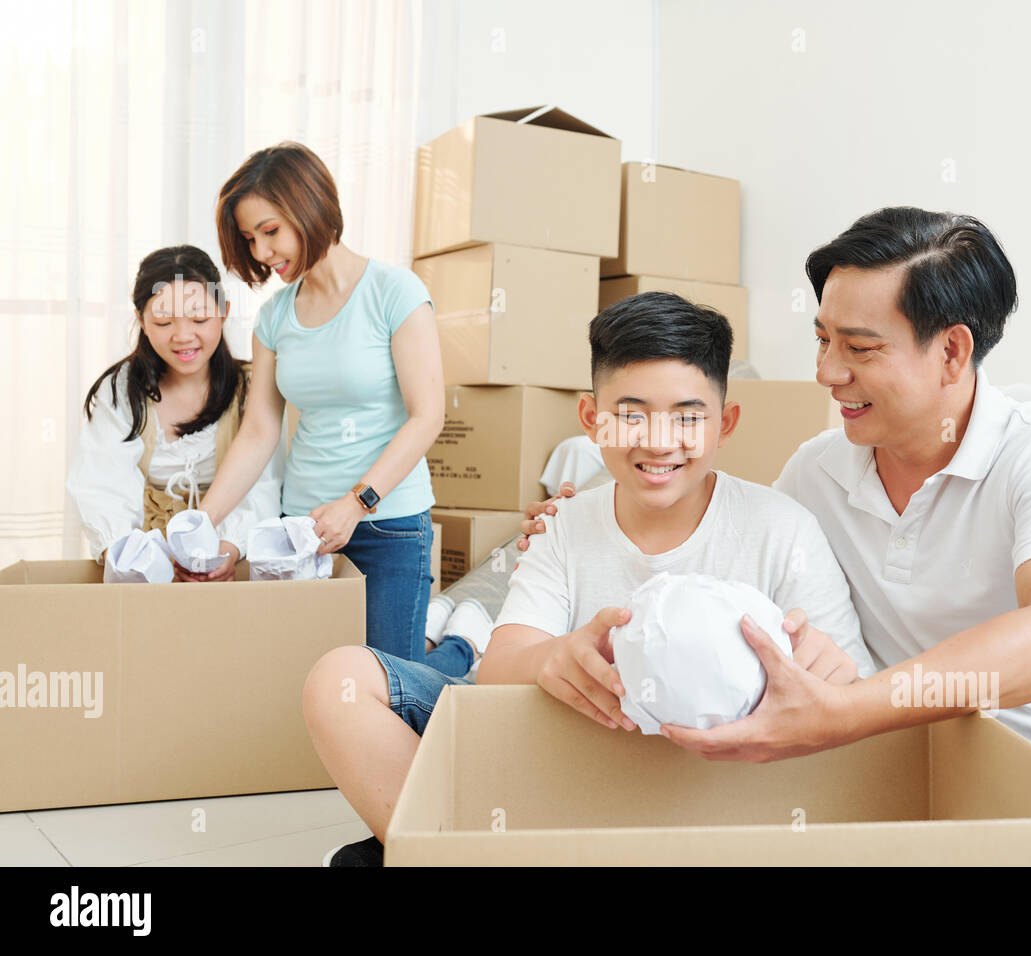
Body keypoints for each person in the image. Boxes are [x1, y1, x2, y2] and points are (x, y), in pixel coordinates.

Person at [519, 207, 1031, 867]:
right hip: (901, 775)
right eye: (821, 340)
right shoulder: (814, 472)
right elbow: (747, 581)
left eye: (860, 348)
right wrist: (581, 522)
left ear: (952, 352)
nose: (825, 372)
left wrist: (845, 712)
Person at [302, 292, 874, 865]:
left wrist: (821, 676)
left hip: (710, 784)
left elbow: (847, 690)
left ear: (724, 424)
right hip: (571, 765)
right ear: (591, 420)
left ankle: (430, 848)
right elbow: (500, 669)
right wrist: (559, 657)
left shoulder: (782, 529)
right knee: (339, 679)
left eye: (687, 416)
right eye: (630, 414)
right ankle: (448, 851)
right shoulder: (567, 524)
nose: (657, 440)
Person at [197, 142, 453, 665]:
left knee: (390, 690)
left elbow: (428, 416)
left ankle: (460, 647)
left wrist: (356, 504)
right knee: (303, 685)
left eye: (270, 231)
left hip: (389, 522)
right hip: (302, 528)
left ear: (310, 205)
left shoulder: (394, 292)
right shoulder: (274, 318)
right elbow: (259, 431)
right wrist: (202, 521)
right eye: (251, 239)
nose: (263, 253)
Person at [68, 245, 282, 579]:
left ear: (224, 312)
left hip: (229, 558)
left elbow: (264, 484)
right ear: (141, 320)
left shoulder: (251, 388)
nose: (183, 336)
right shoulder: (122, 390)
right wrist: (137, 561)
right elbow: (100, 485)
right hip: (143, 561)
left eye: (199, 318)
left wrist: (229, 547)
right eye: (164, 321)